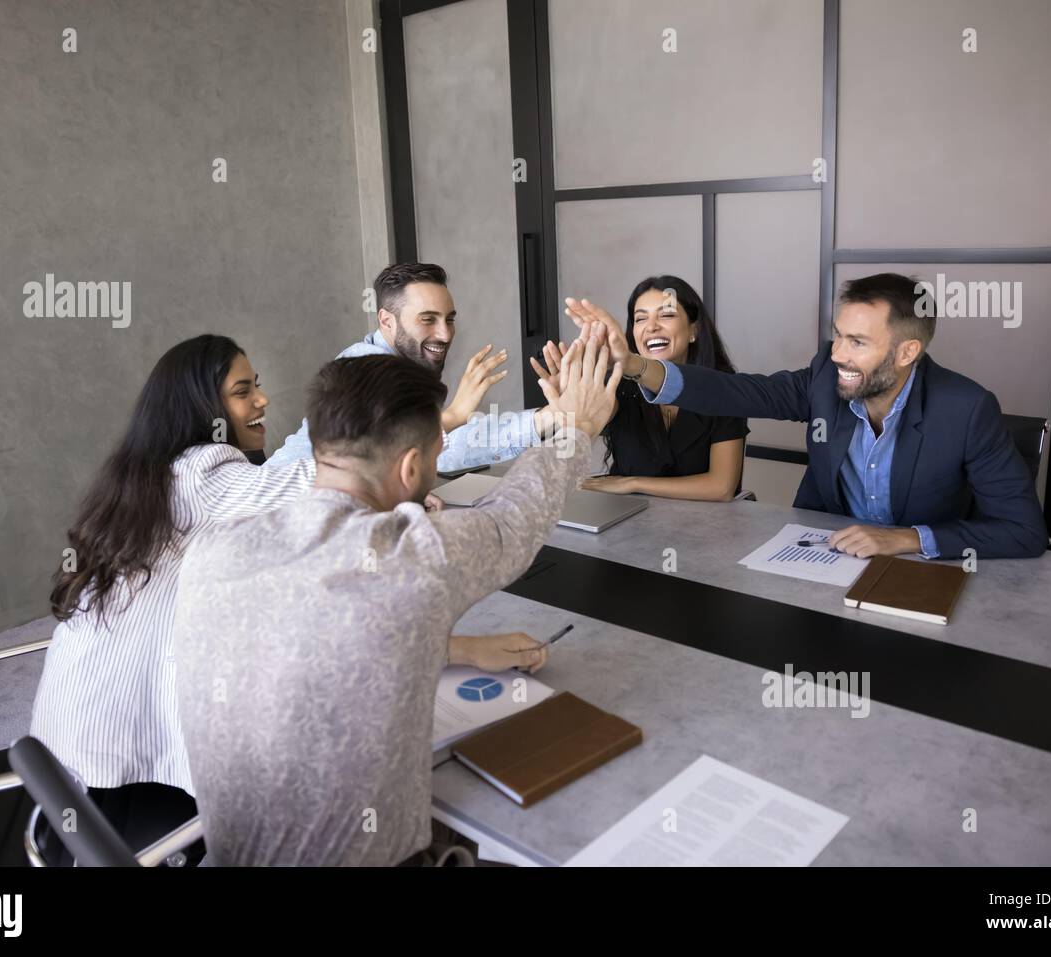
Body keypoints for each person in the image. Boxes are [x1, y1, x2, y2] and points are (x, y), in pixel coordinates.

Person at [172, 334, 621, 866]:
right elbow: (512, 520)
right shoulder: (406, 557)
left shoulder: (212, 549)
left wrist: (458, 649)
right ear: (411, 469)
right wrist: (578, 427)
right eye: (436, 455)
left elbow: (317, 635)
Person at [565, 272, 1049, 559]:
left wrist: (904, 540)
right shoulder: (825, 377)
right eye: (838, 335)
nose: (837, 353)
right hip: (821, 559)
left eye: (857, 343)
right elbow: (739, 392)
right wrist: (634, 366)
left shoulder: (966, 408)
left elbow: (1025, 531)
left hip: (915, 573)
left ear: (907, 352)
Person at [31, 335, 314, 810]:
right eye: (243, 391)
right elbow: (316, 484)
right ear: (204, 408)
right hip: (116, 773)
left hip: (65, 741)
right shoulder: (204, 470)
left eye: (257, 386)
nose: (262, 399)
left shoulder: (146, 472)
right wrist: (436, 426)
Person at [267, 261, 560, 472]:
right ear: (386, 320)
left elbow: (444, 444)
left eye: (449, 319)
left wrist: (550, 416)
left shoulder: (404, 367)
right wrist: (456, 413)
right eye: (427, 319)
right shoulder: (362, 370)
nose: (445, 334)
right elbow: (392, 445)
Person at [573, 275, 748, 502]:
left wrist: (632, 483)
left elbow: (721, 487)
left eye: (666, 315)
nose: (652, 327)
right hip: (626, 522)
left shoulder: (723, 386)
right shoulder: (618, 384)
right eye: (640, 319)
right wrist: (567, 405)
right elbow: (567, 450)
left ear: (693, 330)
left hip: (705, 526)